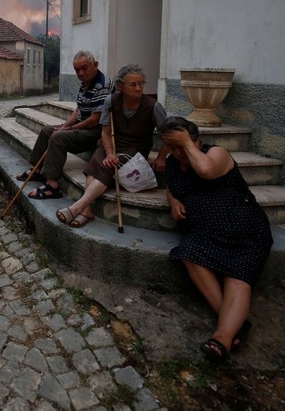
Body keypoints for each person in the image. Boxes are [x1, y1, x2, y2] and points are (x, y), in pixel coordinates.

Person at [159, 116, 273, 363]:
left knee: (237, 275)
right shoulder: (171, 163)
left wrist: (188, 145)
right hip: (204, 232)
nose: (178, 152)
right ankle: (235, 325)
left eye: (182, 145)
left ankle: (222, 338)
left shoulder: (217, 154)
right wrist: (173, 201)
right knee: (188, 253)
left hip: (243, 228)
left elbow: (207, 171)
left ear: (197, 139)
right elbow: (171, 188)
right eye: (172, 146)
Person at [55, 64, 168, 227]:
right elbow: (106, 133)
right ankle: (86, 211)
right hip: (111, 144)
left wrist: (162, 157)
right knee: (97, 164)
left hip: (135, 150)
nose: (138, 88)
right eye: (133, 84)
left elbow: (169, 135)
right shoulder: (111, 101)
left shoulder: (153, 106)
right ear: (120, 86)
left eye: (141, 83)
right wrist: (109, 153)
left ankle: (77, 207)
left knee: (108, 166)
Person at [16, 51, 110, 200]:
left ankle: (52, 185)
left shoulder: (102, 85)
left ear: (95, 65)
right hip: (84, 126)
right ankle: (38, 169)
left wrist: (67, 129)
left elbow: (94, 120)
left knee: (59, 137)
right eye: (77, 70)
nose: (80, 73)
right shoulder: (85, 83)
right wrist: (64, 125)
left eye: (84, 68)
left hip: (96, 130)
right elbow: (78, 110)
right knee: (48, 130)